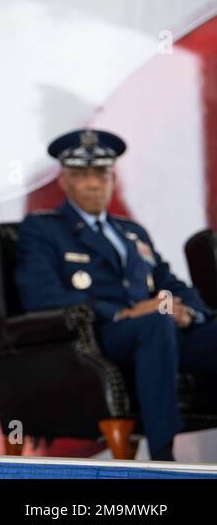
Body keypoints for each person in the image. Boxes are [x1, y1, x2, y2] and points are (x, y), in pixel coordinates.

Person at [15, 128, 217, 461]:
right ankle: (164, 457)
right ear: (64, 182)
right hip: (100, 336)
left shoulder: (131, 232)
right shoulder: (43, 230)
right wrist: (122, 313)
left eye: (102, 174)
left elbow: (171, 284)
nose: (94, 183)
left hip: (160, 332)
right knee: (155, 325)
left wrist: (187, 312)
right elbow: (42, 298)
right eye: (82, 175)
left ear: (112, 179)